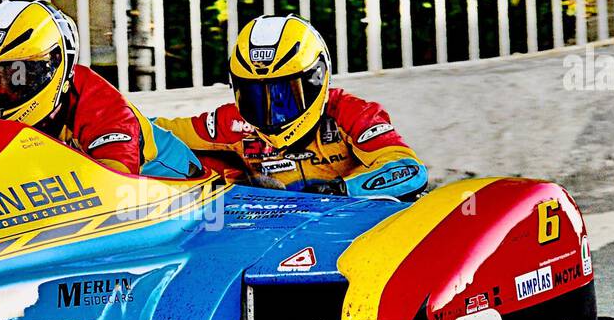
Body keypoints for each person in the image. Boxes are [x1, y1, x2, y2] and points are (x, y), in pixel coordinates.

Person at [154, 14, 427, 199]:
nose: (271, 108)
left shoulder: (353, 113)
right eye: (255, 95)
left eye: (284, 93)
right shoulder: (232, 123)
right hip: (273, 240)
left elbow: (408, 171)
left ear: (316, 79)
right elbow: (153, 131)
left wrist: (338, 190)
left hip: (357, 229)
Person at [0, 0, 199, 178]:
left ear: (54, 68)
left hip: (173, 187)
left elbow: (114, 186)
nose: (0, 92)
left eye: (15, 77)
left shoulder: (103, 110)